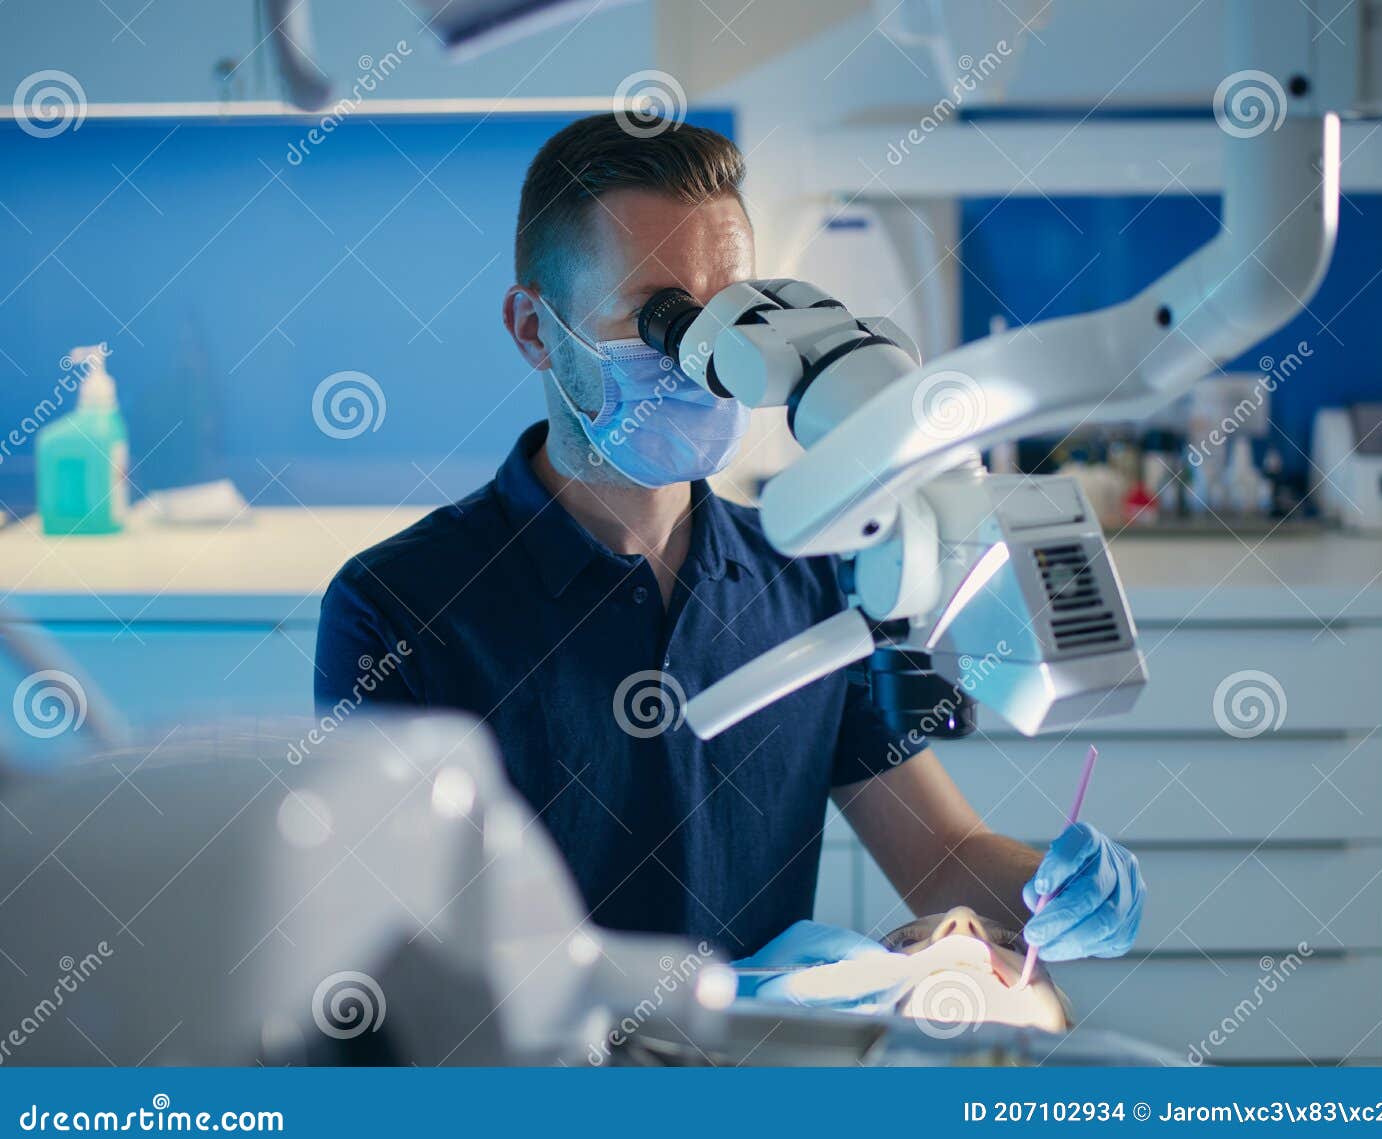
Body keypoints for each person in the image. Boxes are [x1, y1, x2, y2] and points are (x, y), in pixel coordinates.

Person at [315, 112, 1144, 965]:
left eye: (728, 318)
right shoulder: (401, 607)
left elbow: (940, 856)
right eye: (660, 316)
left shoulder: (813, 575)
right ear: (534, 330)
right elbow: (394, 948)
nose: (703, 359)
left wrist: (1055, 892)